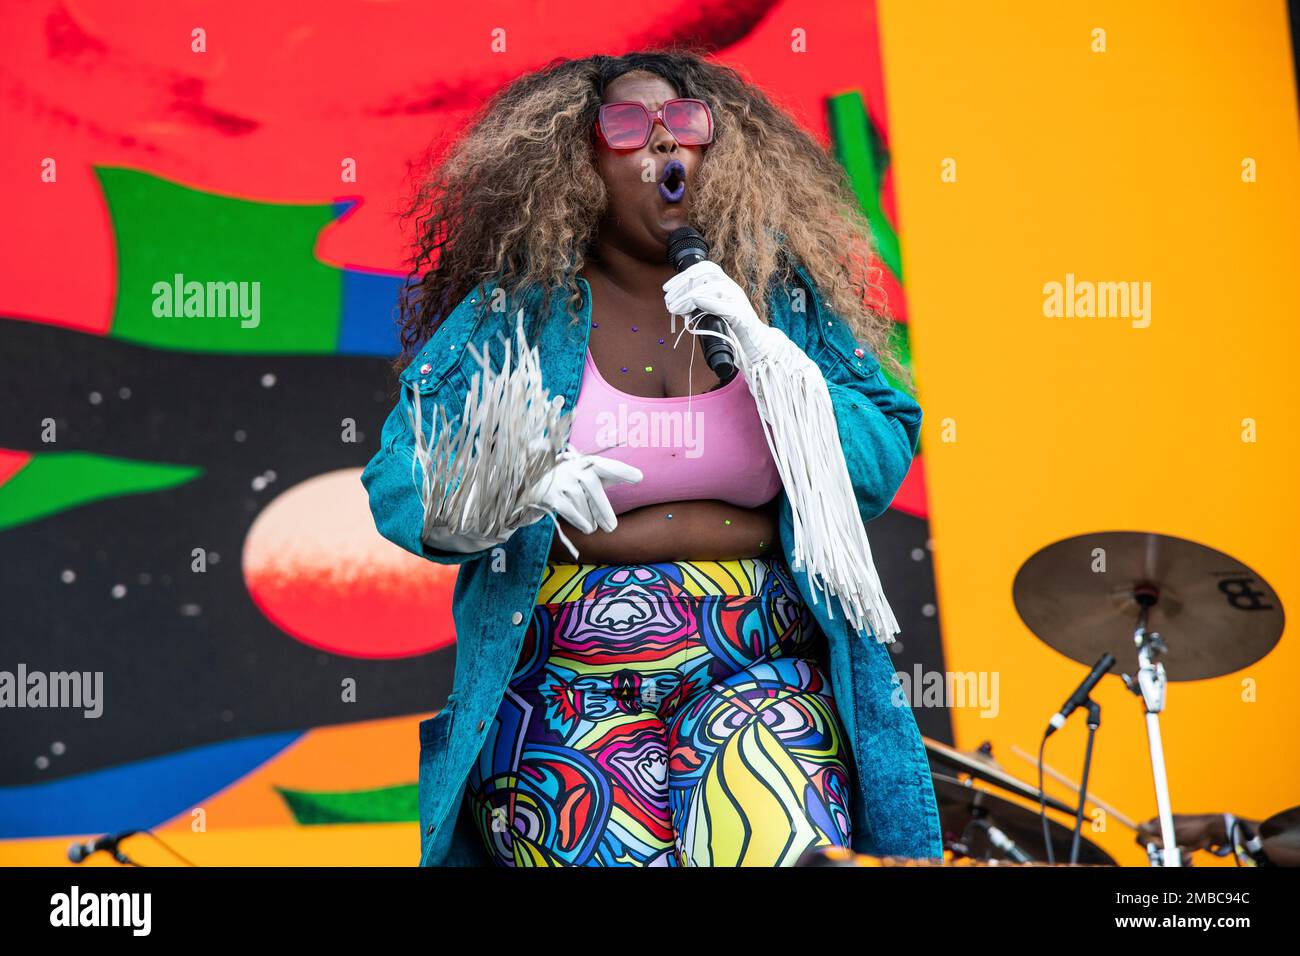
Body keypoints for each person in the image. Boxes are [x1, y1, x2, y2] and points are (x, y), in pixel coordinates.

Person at [361, 49, 942, 867]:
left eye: (686, 128)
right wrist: (506, 489)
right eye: (629, 127)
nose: (664, 148)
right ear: (579, 161)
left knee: (781, 840)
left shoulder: (778, 297)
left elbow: (882, 453)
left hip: (761, 665)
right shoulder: (518, 309)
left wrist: (777, 367)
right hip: (567, 682)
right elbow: (402, 479)